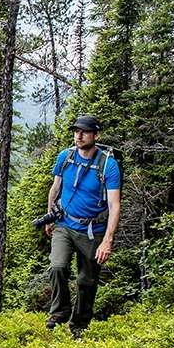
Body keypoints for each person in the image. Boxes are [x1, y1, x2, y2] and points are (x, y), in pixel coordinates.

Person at [43, 114, 122, 335]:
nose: (79, 136)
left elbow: (114, 205)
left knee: (87, 281)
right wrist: (50, 216)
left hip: (92, 230)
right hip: (64, 224)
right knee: (57, 267)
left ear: (95, 135)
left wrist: (107, 241)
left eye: (84, 132)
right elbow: (55, 188)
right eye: (76, 131)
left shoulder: (108, 165)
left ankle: (79, 326)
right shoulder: (65, 157)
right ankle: (60, 311)